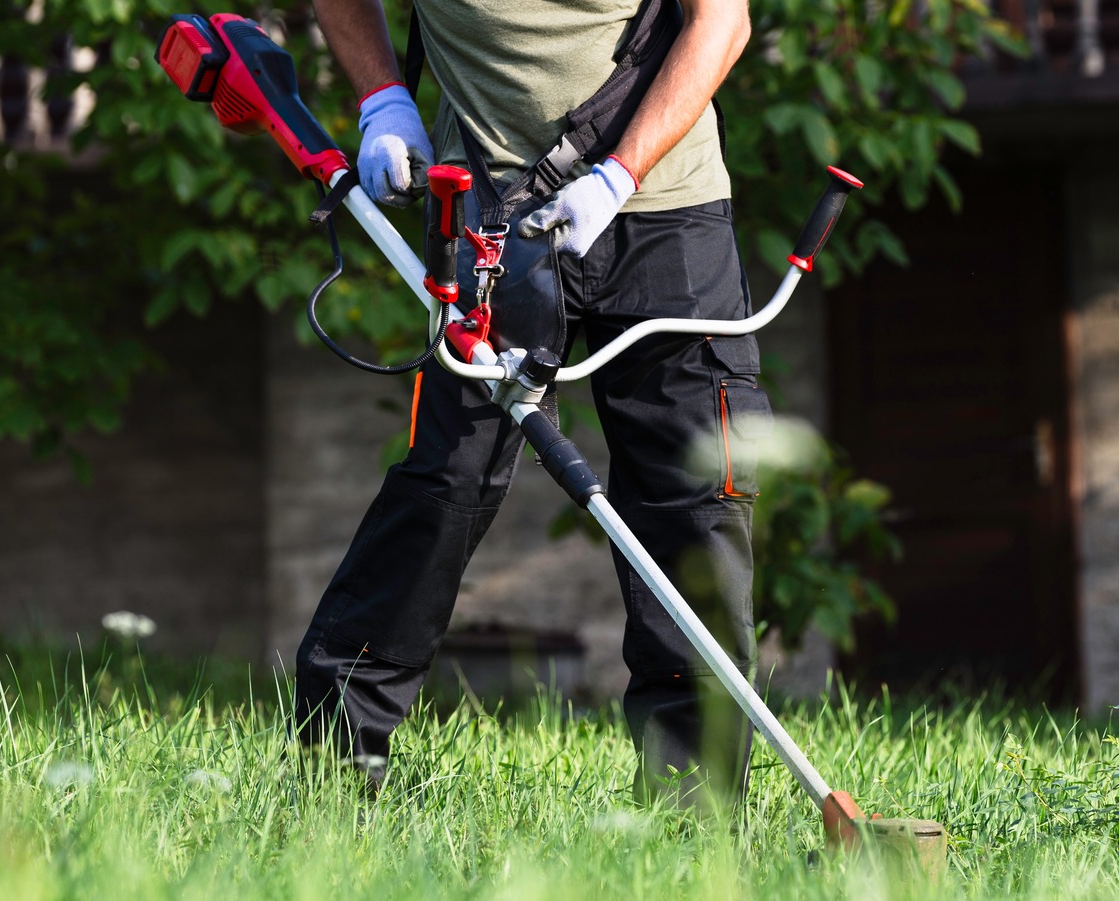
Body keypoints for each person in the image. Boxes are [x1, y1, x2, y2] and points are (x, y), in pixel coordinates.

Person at [293, 0, 766, 811]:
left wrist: (618, 174)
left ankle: (696, 811)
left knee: (693, 499)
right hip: (491, 211)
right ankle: (336, 770)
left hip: (666, 211)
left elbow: (721, 22)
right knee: (447, 481)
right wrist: (382, 103)